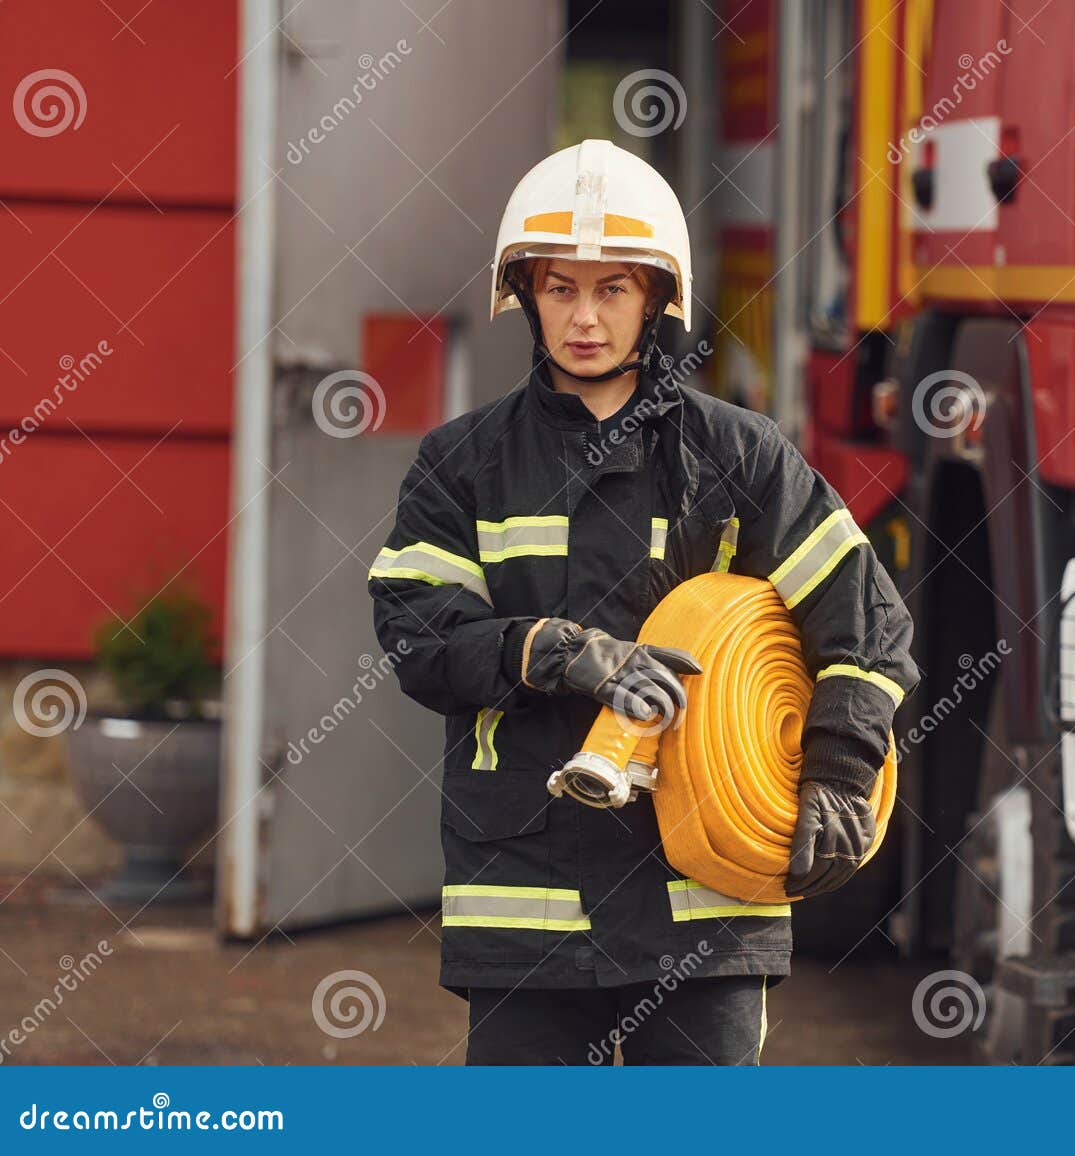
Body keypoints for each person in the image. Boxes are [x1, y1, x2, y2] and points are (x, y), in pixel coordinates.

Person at [367, 138, 918, 1065]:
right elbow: (417, 637)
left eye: (613, 289)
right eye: (560, 288)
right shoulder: (463, 463)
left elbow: (869, 628)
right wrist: (555, 652)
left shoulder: (740, 456)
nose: (584, 318)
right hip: (527, 899)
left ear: (658, 297)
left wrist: (837, 769)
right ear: (525, 293)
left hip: (704, 901)